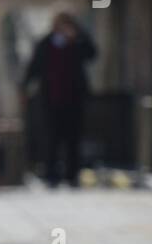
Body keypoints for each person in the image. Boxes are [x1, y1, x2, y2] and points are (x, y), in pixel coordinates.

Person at [24, 10, 97, 187]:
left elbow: (92, 53)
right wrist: (25, 86)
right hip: (51, 99)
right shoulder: (46, 43)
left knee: (74, 138)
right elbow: (34, 66)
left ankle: (72, 175)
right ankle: (51, 174)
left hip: (74, 99)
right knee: (51, 138)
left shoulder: (77, 43)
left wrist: (79, 35)